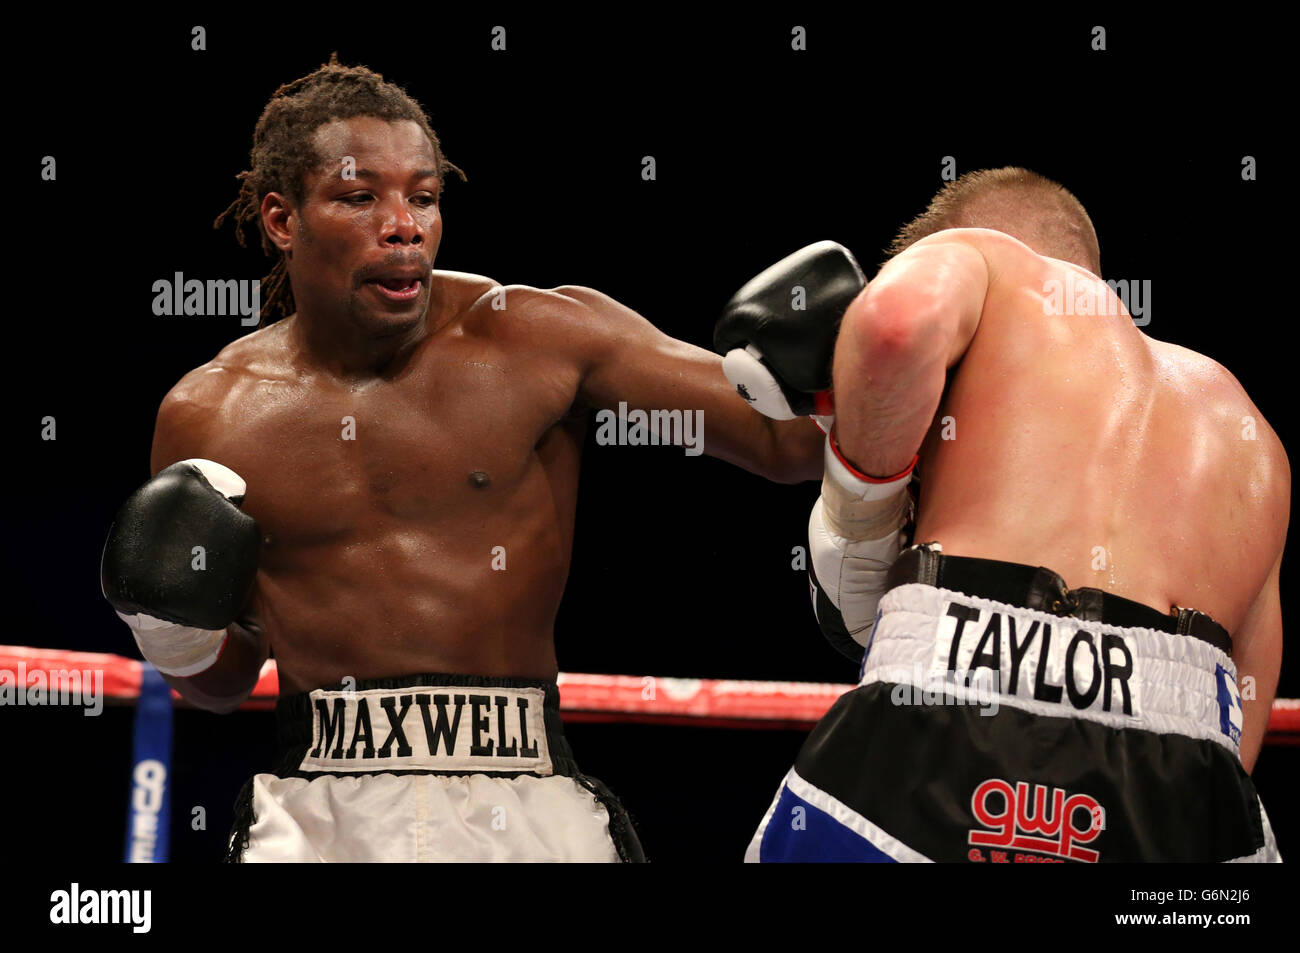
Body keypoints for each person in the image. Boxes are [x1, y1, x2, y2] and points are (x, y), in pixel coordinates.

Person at [99, 55, 825, 862]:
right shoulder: (211, 411)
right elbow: (223, 683)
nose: (403, 224)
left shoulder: (539, 337)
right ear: (281, 219)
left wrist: (854, 355)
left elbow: (782, 442)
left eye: (423, 196)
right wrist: (173, 638)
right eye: (359, 196)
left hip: (525, 800)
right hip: (320, 814)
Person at [716, 168, 1286, 862]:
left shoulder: (987, 261)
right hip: (1188, 791)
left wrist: (861, 519)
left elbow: (895, 327)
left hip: (952, 709)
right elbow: (1238, 731)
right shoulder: (1249, 431)